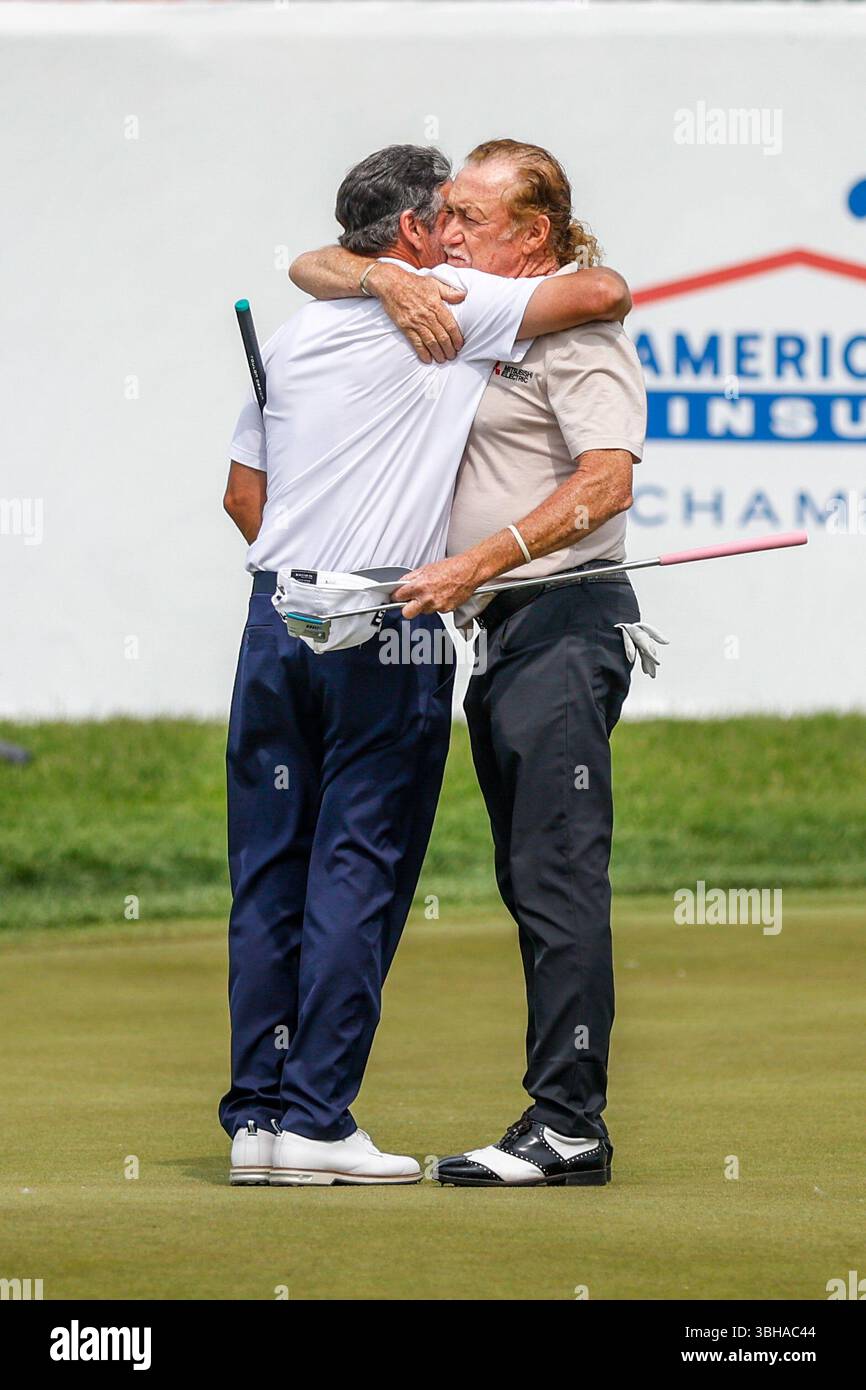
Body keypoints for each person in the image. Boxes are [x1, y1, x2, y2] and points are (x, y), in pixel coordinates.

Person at [220, 143, 632, 1187]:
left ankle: (263, 1120)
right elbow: (606, 282)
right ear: (411, 234)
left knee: (278, 870)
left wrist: (323, 579)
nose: (450, 234)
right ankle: (315, 1118)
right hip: (395, 618)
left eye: (470, 215)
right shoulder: (455, 301)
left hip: (294, 613)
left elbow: (242, 499)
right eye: (440, 216)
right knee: (359, 863)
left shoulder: (304, 330)